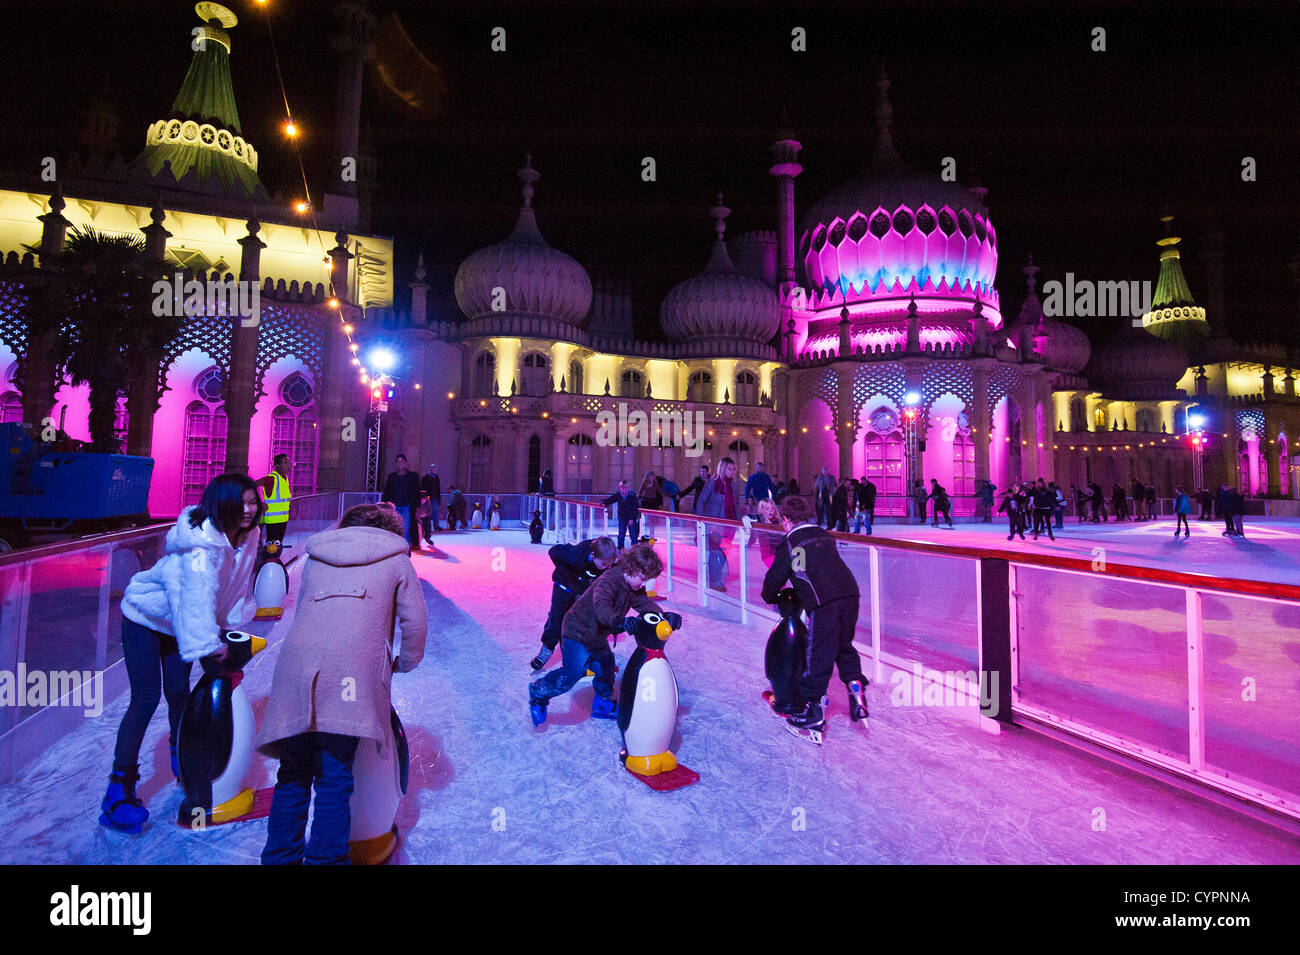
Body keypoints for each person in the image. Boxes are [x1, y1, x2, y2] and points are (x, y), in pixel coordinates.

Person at [257, 503, 427, 865]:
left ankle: (279, 859)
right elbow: (415, 621)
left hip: (297, 669)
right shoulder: (397, 558)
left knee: (293, 773)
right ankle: (326, 861)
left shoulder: (317, 555)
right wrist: (405, 662)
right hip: (350, 672)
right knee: (334, 776)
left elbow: (303, 611)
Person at [101, 474, 262, 833]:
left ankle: (183, 765)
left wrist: (228, 626)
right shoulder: (201, 545)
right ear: (223, 503)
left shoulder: (246, 536)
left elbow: (234, 589)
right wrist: (208, 645)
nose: (250, 509)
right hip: (145, 617)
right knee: (145, 698)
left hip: (177, 625)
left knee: (179, 694)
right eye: (242, 502)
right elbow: (195, 600)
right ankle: (117, 792)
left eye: (253, 501)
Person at [760, 495, 869, 741]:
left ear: (786, 519)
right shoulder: (823, 535)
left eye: (782, 520)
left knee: (818, 655)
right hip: (850, 594)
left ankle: (813, 713)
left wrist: (770, 595)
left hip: (823, 603)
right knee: (843, 647)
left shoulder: (790, 540)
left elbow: (776, 576)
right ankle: (856, 689)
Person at [529, 544, 665, 726]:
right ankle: (539, 691)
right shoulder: (609, 580)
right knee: (572, 673)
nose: (643, 583)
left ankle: (602, 704)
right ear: (631, 568)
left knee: (606, 666)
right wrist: (620, 623)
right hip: (577, 631)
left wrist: (663, 616)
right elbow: (602, 608)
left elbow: (644, 604)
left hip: (596, 634)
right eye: (642, 578)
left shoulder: (633, 588)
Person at [529, 536, 618, 670]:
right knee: (557, 617)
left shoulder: (605, 558)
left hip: (581, 588)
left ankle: (578, 655)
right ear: (592, 555)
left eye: (609, 564)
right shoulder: (575, 554)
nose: (607, 568)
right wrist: (569, 570)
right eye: (604, 564)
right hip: (564, 584)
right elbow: (554, 551)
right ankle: (547, 647)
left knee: (579, 621)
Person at [380, 453, 422, 552]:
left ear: (406, 463)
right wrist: (384, 506)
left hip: (407, 507)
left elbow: (417, 492)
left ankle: (406, 552)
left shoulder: (413, 476)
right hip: (394, 507)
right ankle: (394, 549)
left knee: (405, 530)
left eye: (401, 461)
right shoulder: (391, 477)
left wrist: (418, 508)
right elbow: (387, 492)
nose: (400, 464)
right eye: (398, 462)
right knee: (393, 529)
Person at [258, 453, 293, 547]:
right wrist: (258, 503)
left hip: (283, 519)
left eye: (289, 463)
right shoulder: (271, 478)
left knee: (277, 546)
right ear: (277, 465)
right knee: (272, 547)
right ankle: (268, 561)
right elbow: (251, 485)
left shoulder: (285, 478)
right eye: (285, 463)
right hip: (273, 521)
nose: (289, 465)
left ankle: (273, 560)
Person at [603, 479, 641, 550]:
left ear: (628, 488)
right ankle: (621, 549)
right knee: (621, 535)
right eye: (622, 488)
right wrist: (603, 503)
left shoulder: (632, 496)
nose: (623, 489)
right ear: (620, 488)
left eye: (625, 488)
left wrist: (632, 519)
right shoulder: (619, 495)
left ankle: (635, 549)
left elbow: (635, 508)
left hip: (631, 519)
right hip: (622, 518)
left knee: (633, 535)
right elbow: (611, 500)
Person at [419, 463, 442, 542]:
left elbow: (438, 488)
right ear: (429, 469)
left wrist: (439, 498)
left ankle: (436, 526)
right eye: (432, 468)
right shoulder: (425, 478)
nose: (433, 470)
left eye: (434, 468)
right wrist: (424, 496)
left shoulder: (436, 478)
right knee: (426, 513)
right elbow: (423, 487)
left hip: (434, 497)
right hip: (427, 497)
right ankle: (425, 528)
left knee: (435, 512)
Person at [638, 470, 663, 535]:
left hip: (653, 503)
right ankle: (642, 535)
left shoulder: (656, 484)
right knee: (643, 520)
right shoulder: (644, 483)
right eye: (651, 476)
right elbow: (639, 492)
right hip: (645, 503)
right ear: (648, 477)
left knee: (652, 522)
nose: (652, 477)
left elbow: (661, 492)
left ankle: (652, 538)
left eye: (653, 476)